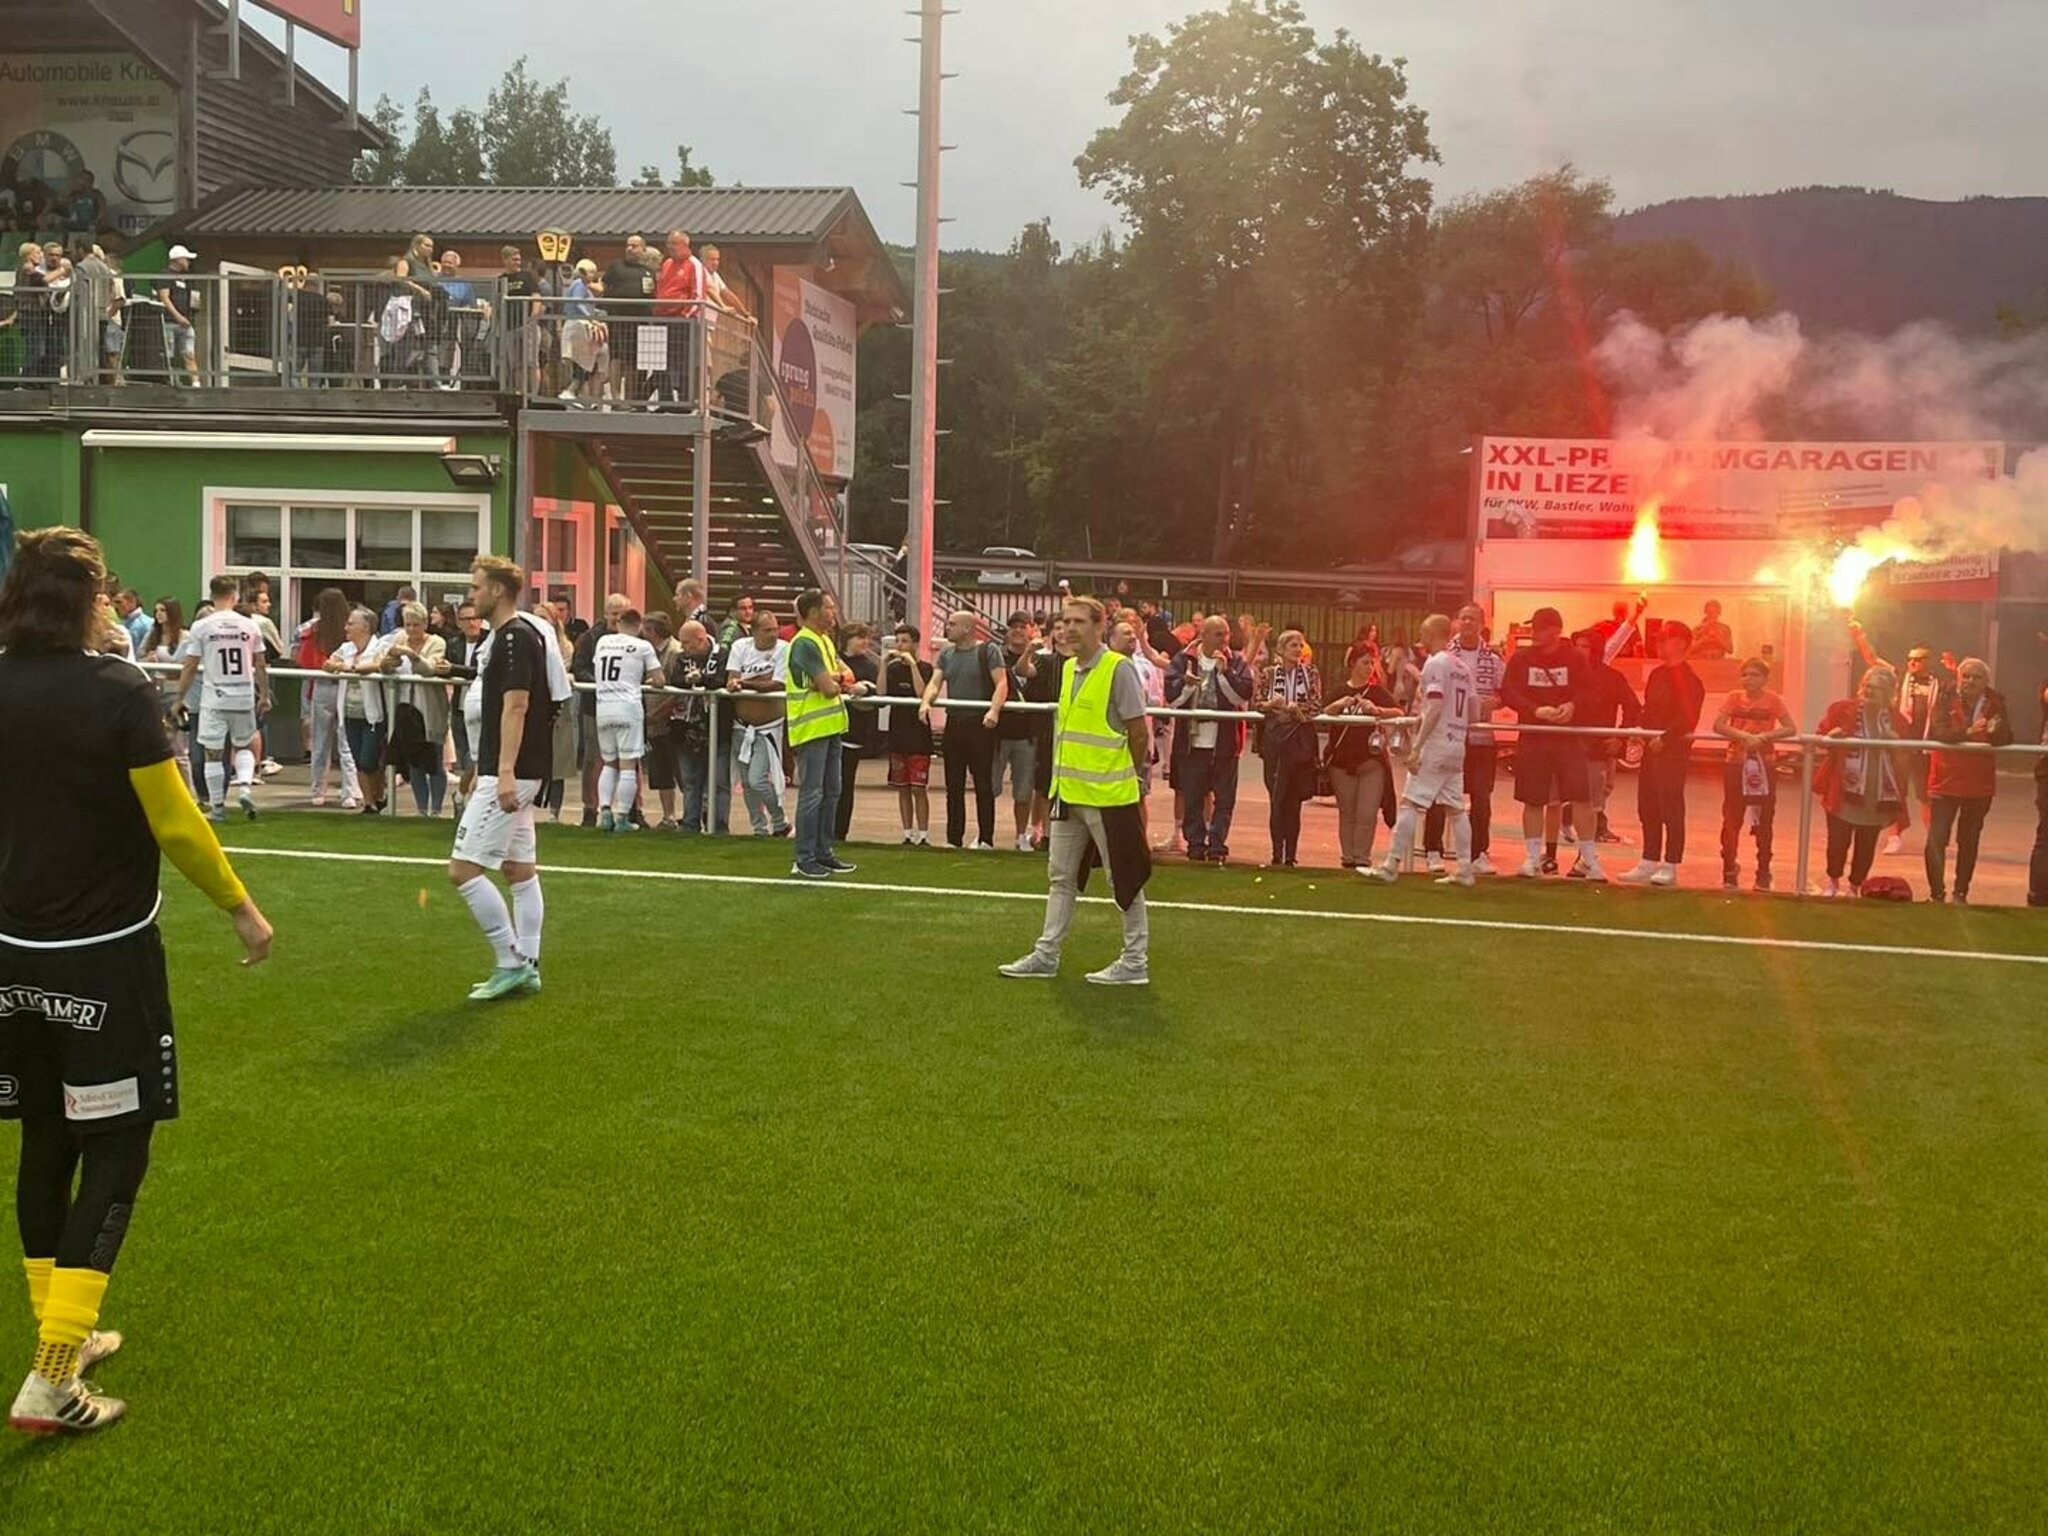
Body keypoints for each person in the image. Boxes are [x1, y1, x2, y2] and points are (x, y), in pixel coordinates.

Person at [0, 526, 272, 1435]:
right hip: (103, 959)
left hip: (11, 957)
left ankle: (61, 1338)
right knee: (117, 1149)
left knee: (44, 1139)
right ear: (88, 599)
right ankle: (50, 1377)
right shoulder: (117, 690)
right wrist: (239, 905)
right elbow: (177, 822)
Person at [999, 597, 1152, 986]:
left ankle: (1135, 961)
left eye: (1078, 621)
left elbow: (1138, 731)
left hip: (1108, 797)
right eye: (1065, 621)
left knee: (1124, 879)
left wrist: (1135, 779)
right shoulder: (1067, 669)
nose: (1069, 628)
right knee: (1060, 877)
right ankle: (1046, 954)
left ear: (1100, 626)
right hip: (1068, 795)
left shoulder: (1118, 669)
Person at [447, 558, 561, 1000]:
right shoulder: (510, 636)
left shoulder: (514, 637)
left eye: (477, 587)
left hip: (513, 773)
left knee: (462, 870)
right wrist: (484, 764)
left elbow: (517, 706)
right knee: (518, 869)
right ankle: (527, 963)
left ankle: (509, 961)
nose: (472, 596)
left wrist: (505, 772)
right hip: (508, 769)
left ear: (497, 590)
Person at [1363, 614, 1475, 887]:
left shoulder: (1436, 664)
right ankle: (1464, 868)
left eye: (1424, 633)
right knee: (1456, 809)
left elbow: (1434, 706)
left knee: (1411, 802)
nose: (1420, 639)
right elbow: (1472, 709)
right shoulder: (1462, 666)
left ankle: (1391, 864)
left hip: (1436, 743)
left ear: (1433, 634)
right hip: (1456, 743)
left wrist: (1418, 746)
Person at [1501, 606, 1606, 881]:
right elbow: (1509, 691)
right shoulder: (1522, 658)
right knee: (1533, 799)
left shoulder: (1575, 658)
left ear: (1555, 630)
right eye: (1533, 627)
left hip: (1569, 737)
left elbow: (1591, 691)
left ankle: (1589, 859)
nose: (1534, 633)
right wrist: (1535, 710)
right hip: (1534, 736)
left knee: (1581, 796)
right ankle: (1533, 858)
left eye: (1539, 628)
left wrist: (1572, 706)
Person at [786, 589, 867, 879]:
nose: (834, 612)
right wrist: (835, 679)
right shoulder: (805, 644)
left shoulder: (823, 641)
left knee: (832, 791)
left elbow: (841, 676)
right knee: (813, 794)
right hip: (811, 728)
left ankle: (823, 852)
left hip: (831, 726)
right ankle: (804, 857)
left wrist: (834, 678)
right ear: (812, 612)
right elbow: (831, 686)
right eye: (829, 608)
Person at [1815, 665, 1913, 898]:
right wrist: (1831, 737)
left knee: (1866, 845)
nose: (1869, 691)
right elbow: (1819, 739)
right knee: (1837, 841)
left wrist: (1895, 742)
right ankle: (1833, 882)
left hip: (1877, 794)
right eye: (1867, 686)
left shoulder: (1898, 721)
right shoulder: (1841, 709)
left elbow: (1906, 758)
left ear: (1889, 693)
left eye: (1877, 688)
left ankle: (1855, 886)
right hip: (1842, 789)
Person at [176, 575, 268, 822]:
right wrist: (265, 694)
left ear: (212, 594)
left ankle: (217, 808)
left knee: (213, 753)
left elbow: (190, 665)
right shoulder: (249, 625)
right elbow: (260, 663)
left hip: (214, 698)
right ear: (234, 594)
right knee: (244, 744)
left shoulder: (202, 626)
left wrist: (179, 697)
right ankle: (246, 788)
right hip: (243, 694)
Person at [1621, 621, 1706, 887]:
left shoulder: (1691, 680)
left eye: (1664, 640)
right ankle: (1648, 859)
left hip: (1673, 752)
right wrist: (1639, 730)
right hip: (1651, 748)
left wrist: (1665, 739)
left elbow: (1688, 717)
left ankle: (1671, 863)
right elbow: (1649, 709)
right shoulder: (1657, 675)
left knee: (1670, 806)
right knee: (1648, 806)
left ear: (1681, 642)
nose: (1658, 644)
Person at [1166, 615, 1255, 864]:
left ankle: (1217, 844)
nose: (1224, 639)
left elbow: (1241, 697)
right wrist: (1186, 685)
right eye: (1218, 634)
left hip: (1225, 743)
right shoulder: (1184, 660)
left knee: (1225, 799)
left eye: (1226, 634)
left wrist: (1225, 673)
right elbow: (1171, 700)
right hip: (1192, 742)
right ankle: (1195, 843)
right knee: (1193, 795)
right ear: (1203, 635)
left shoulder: (1235, 661)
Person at [1924, 658, 2014, 904]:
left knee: (1969, 840)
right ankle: (1936, 894)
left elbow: (2006, 738)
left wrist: (1995, 731)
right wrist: (1967, 733)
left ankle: (1960, 892)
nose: (1971, 682)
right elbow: (1938, 732)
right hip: (1945, 780)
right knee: (1936, 839)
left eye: (1977, 677)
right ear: (1959, 678)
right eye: (1967, 676)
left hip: (1979, 785)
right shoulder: (1944, 698)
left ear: (1986, 682)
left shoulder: (1995, 704)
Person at [1424, 604, 1506, 875]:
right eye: (1463, 618)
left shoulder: (1494, 659)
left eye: (1473, 619)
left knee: (1481, 797)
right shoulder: (1443, 656)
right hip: (1449, 736)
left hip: (1481, 739)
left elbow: (1504, 692)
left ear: (1482, 623)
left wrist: (1494, 701)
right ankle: (1433, 850)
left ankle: (1478, 852)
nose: (1467, 623)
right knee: (1438, 794)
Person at [1850, 623, 1944, 854]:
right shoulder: (1900, 675)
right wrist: (1859, 635)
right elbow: (1873, 659)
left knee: (1927, 795)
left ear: (1929, 662)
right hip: (1900, 745)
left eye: (1918, 659)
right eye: (1910, 658)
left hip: (1926, 746)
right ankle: (1894, 836)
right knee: (1894, 791)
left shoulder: (1940, 684)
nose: (1912, 663)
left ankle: (1934, 839)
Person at [920, 611, 1009, 850]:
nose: (947, 628)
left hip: (980, 726)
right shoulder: (947, 654)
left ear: (968, 628)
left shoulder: (988, 651)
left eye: (952, 624)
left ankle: (986, 839)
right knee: (953, 785)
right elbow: (936, 682)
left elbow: (1002, 682)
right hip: (955, 724)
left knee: (983, 784)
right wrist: (926, 701)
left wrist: (994, 710)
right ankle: (953, 838)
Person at [1713, 659, 1797, 892]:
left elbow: (1790, 728)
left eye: (1754, 675)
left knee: (1764, 820)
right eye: (1745, 675)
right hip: (1735, 764)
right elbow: (1718, 725)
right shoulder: (1733, 697)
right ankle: (1729, 869)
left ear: (1765, 678)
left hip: (1764, 766)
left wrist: (1764, 737)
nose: (1748, 679)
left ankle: (1763, 871)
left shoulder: (1774, 700)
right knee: (1731, 818)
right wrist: (1743, 736)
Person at [1324, 649, 1401, 869]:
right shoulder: (1340, 691)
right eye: (1364, 663)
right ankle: (1347, 858)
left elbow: (1398, 711)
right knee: (1347, 812)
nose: (1369, 668)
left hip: (1371, 761)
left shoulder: (1377, 691)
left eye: (1371, 663)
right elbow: (1320, 711)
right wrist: (1337, 706)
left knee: (1367, 813)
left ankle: (1362, 857)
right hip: (1341, 761)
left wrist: (1377, 710)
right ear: (1352, 664)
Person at [591, 608, 666, 833]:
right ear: (639, 626)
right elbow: (660, 680)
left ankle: (604, 812)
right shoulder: (643, 646)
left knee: (609, 762)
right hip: (628, 707)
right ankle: (622, 817)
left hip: (603, 706)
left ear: (618, 623)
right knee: (628, 765)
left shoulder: (603, 641)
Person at [1256, 629, 1322, 868]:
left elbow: (1316, 706)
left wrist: (1296, 710)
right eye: (1293, 645)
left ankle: (1291, 855)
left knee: (1294, 800)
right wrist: (1271, 705)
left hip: (1299, 742)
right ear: (1281, 650)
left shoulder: (1311, 674)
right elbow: (1257, 703)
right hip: (1275, 743)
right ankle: (1276, 852)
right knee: (1277, 797)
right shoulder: (1269, 674)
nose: (1298, 649)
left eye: (1300, 645)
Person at [725, 609, 791, 837]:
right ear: (754, 631)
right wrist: (748, 682)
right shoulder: (740, 647)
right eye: (767, 630)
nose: (773, 634)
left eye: (775, 629)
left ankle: (780, 820)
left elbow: (778, 684)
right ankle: (759, 827)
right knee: (746, 781)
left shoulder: (784, 648)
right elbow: (732, 679)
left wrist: (746, 683)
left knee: (757, 779)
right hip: (741, 725)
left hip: (769, 727)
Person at [384, 602, 453, 817]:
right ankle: (421, 809)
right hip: (405, 706)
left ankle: (436, 810)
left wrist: (413, 656)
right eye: (408, 625)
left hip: (429, 709)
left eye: (416, 625)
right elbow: (384, 667)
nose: (411, 630)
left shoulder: (437, 642)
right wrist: (393, 657)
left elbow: (429, 670)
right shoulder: (399, 638)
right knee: (413, 761)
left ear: (425, 624)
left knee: (434, 760)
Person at [571, 594, 629, 826]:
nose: (617, 618)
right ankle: (590, 808)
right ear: (605, 613)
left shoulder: (636, 637)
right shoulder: (589, 638)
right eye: (613, 613)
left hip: (626, 706)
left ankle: (630, 810)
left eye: (621, 613)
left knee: (628, 760)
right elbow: (579, 667)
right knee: (594, 759)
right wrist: (601, 684)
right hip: (595, 708)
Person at [327, 608, 391, 815]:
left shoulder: (380, 646)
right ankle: (369, 803)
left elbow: (382, 664)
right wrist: (336, 665)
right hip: (349, 713)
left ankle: (379, 794)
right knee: (358, 761)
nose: (346, 628)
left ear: (365, 627)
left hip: (372, 714)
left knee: (369, 759)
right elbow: (328, 662)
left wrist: (352, 669)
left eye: (350, 624)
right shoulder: (346, 649)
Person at [994, 614, 1043, 851]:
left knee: (1024, 791)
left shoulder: (1042, 659)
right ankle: (986, 833)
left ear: (1031, 630)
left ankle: (1021, 835)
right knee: (990, 786)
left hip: (1028, 735)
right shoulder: (996, 657)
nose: (1017, 631)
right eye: (1013, 627)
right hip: (1000, 733)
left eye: (1022, 627)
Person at [884, 625, 936, 845]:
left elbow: (921, 693)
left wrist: (913, 665)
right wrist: (882, 665)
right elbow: (881, 693)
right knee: (903, 787)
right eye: (898, 641)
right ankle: (907, 833)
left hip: (918, 736)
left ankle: (923, 834)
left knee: (918, 787)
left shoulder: (925, 668)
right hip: (897, 734)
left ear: (915, 644)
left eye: (905, 641)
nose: (900, 646)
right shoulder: (893, 669)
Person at [836, 624, 883, 841]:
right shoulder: (833, 659)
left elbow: (880, 694)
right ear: (847, 639)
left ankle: (839, 832)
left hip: (853, 733)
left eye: (867, 638)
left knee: (845, 784)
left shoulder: (870, 665)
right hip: (829, 728)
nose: (865, 643)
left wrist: (867, 689)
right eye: (860, 638)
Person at [652, 231, 705, 405]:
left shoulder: (694, 264)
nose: (670, 247)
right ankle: (664, 400)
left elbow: (698, 296)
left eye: (674, 244)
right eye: (668, 244)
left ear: (685, 245)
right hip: (662, 319)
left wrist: (685, 316)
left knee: (682, 361)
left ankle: (684, 401)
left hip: (682, 320)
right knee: (661, 361)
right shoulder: (667, 263)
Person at [603, 235, 656, 403]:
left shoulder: (648, 272)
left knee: (634, 361)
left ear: (643, 249)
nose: (629, 249)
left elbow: (652, 295)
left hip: (640, 320)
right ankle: (616, 398)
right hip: (618, 318)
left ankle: (630, 399)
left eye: (634, 246)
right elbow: (603, 286)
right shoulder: (616, 266)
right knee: (617, 358)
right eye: (628, 245)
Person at [155, 246, 199, 386]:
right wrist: (178, 317)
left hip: (185, 321)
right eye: (186, 259)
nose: (188, 262)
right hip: (170, 321)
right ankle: (172, 382)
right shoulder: (165, 274)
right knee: (169, 355)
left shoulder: (184, 278)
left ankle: (195, 383)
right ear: (177, 259)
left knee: (189, 353)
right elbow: (164, 297)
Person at [112, 590, 150, 654]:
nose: (115, 606)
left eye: (119, 602)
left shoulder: (145, 624)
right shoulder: (122, 623)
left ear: (132, 602)